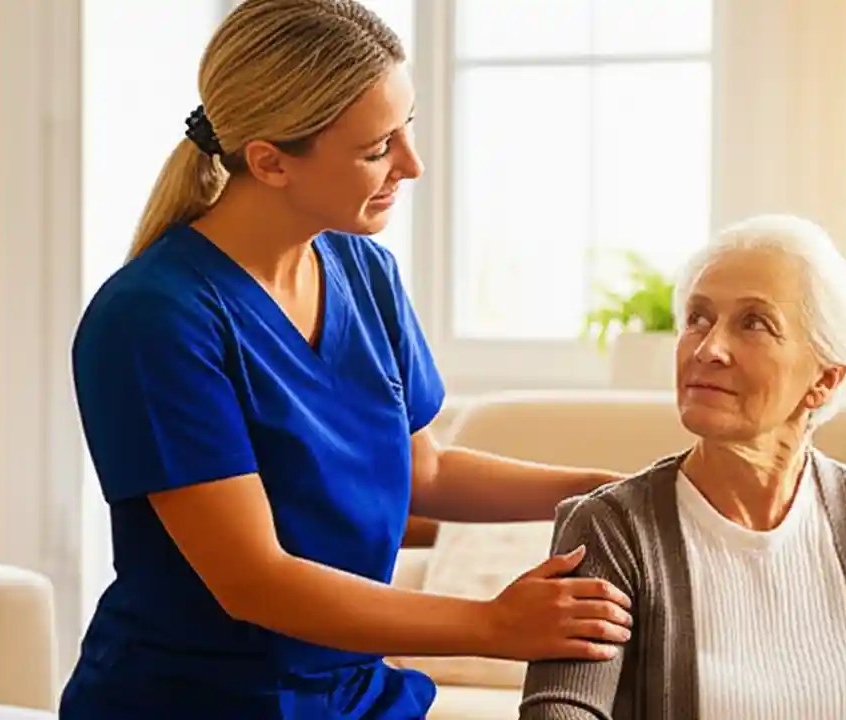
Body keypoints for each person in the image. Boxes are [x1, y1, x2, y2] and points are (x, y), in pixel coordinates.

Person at [60, 2, 633, 718]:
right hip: (195, 702)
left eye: (408, 129)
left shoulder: (366, 273)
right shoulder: (155, 319)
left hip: (356, 698)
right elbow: (254, 580)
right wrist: (493, 623)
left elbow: (425, 471)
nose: (412, 166)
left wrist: (613, 489)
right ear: (270, 161)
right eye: (376, 150)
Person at [520, 214, 846, 720]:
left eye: (754, 323)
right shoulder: (612, 529)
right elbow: (561, 711)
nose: (707, 348)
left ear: (825, 380)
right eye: (698, 318)